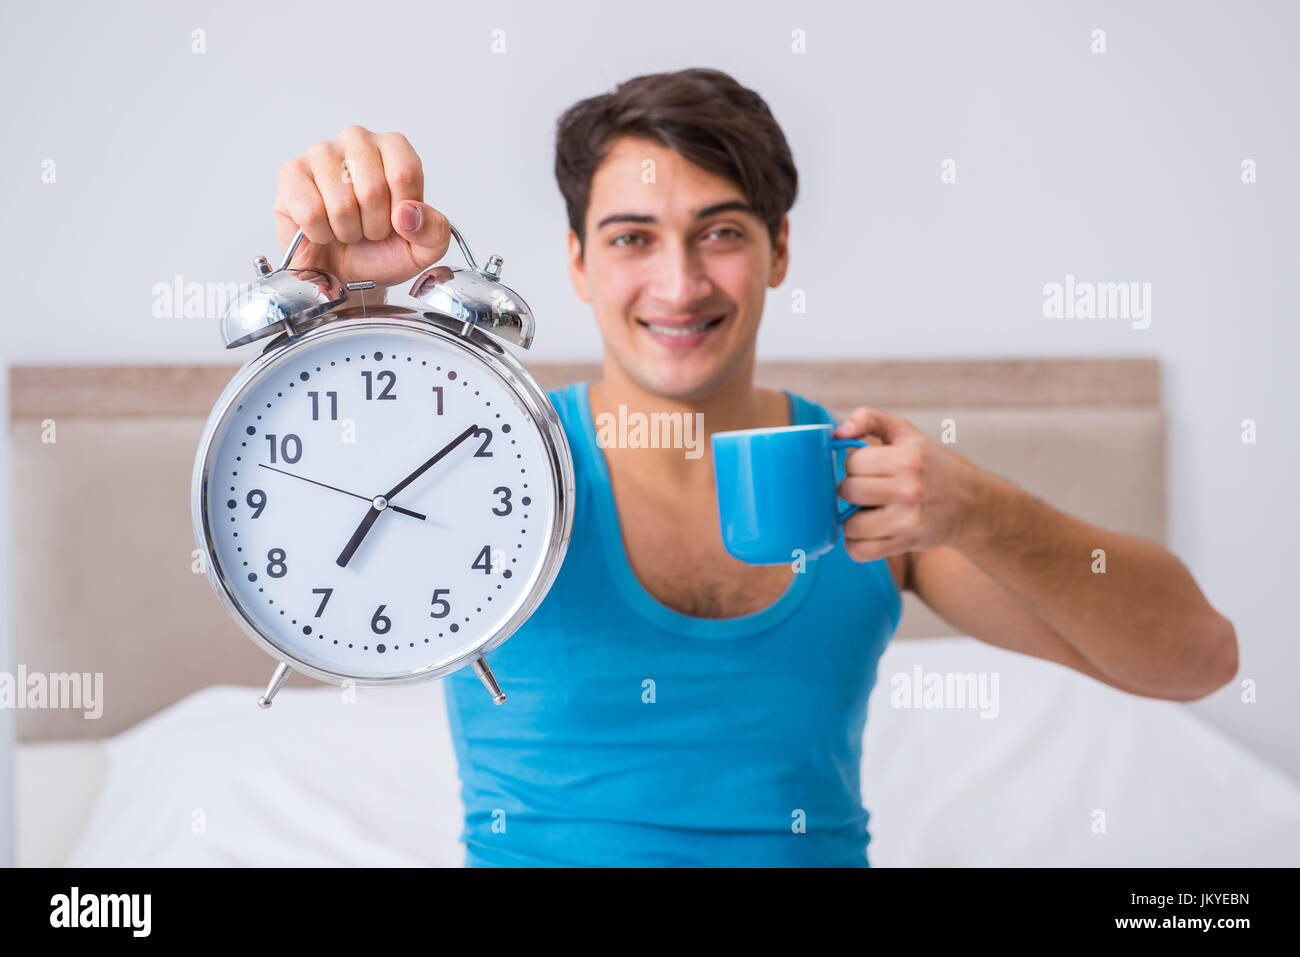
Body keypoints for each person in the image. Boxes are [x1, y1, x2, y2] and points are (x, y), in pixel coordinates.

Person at [272, 67, 1238, 867]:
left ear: (779, 250)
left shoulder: (874, 490)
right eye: (632, 238)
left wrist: (978, 507)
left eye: (722, 232)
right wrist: (357, 293)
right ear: (576, 262)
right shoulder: (492, 462)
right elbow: (337, 462)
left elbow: (1199, 656)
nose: (680, 283)